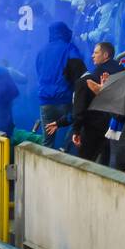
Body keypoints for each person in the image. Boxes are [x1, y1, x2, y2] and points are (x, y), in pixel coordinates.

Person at [34, 21, 85, 151]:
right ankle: (65, 148)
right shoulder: (69, 48)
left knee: (47, 141)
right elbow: (79, 70)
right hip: (65, 99)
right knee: (78, 122)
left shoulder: (41, 51)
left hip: (45, 101)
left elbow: (39, 72)